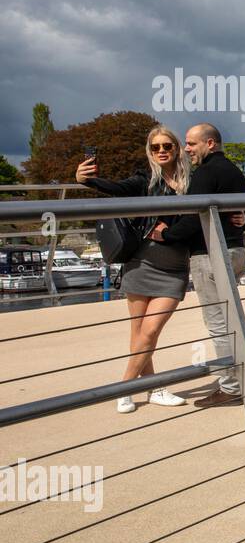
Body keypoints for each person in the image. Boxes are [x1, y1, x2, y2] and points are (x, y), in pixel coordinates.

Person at [77, 127, 192, 413]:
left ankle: (124, 386)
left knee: (150, 330)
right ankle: (152, 388)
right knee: (140, 331)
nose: (162, 151)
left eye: (167, 145)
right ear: (150, 152)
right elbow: (115, 188)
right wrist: (86, 180)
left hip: (175, 267)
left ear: (176, 148)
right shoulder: (145, 180)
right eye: (155, 148)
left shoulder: (193, 181)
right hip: (141, 262)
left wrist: (242, 218)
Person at [150, 123, 245, 408]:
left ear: (210, 144)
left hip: (211, 255)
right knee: (233, 321)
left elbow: (195, 219)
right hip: (235, 251)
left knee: (218, 323)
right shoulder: (234, 171)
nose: (187, 150)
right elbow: (244, 213)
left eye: (191, 144)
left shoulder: (205, 174)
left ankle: (231, 387)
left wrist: (166, 234)